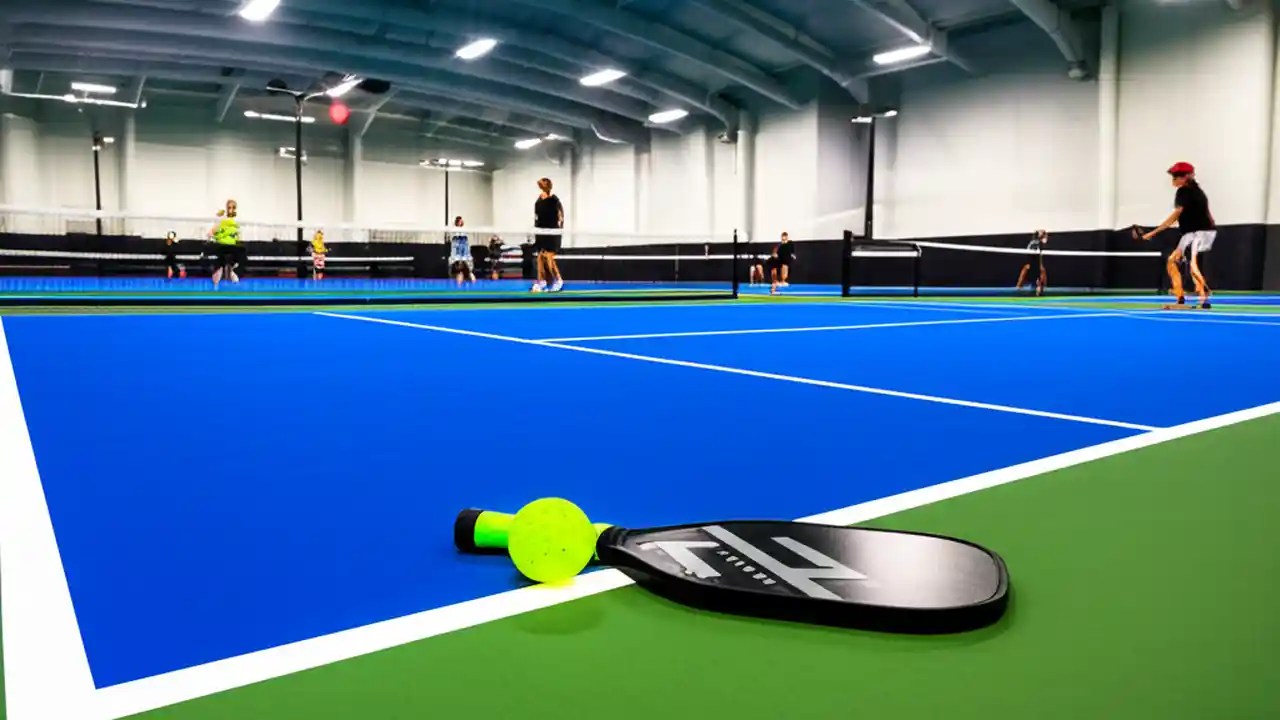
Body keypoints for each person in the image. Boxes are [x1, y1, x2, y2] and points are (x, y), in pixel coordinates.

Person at [1140, 162, 1215, 309]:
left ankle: (1203, 295)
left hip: (1196, 233)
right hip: (1200, 232)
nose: (1173, 180)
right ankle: (1181, 298)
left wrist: (1153, 232)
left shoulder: (1183, 192)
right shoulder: (1198, 191)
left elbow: (1175, 215)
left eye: (1176, 176)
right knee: (1172, 261)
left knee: (1193, 265)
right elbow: (1208, 215)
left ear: (1186, 177)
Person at [532, 178, 564, 293]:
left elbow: (561, 217)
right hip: (541, 233)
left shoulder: (555, 200)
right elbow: (536, 217)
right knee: (540, 257)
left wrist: (558, 231)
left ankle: (558, 280)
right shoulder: (538, 200)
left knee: (548, 257)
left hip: (552, 233)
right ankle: (542, 282)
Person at [207, 198, 243, 288]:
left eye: (233, 208)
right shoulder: (222, 219)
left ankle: (232, 270)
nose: (231, 209)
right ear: (227, 208)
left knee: (241, 252)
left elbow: (238, 235)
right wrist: (216, 236)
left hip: (232, 246)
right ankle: (219, 271)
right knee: (221, 258)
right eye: (229, 207)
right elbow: (211, 232)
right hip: (221, 245)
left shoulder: (236, 222)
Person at [1015, 229, 1049, 296]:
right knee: (1026, 269)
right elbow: (1029, 253)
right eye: (1044, 235)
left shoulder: (1041, 243)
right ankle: (1017, 288)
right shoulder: (1033, 243)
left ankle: (1044, 288)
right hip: (1031, 262)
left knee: (1042, 270)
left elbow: (1040, 255)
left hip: (1037, 262)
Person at [449, 216, 475, 285]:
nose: (460, 222)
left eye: (461, 221)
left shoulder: (465, 234)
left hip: (465, 256)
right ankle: (458, 285)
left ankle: (474, 285)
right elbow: (453, 248)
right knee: (459, 272)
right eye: (458, 221)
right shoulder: (453, 233)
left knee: (470, 272)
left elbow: (467, 247)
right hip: (456, 256)